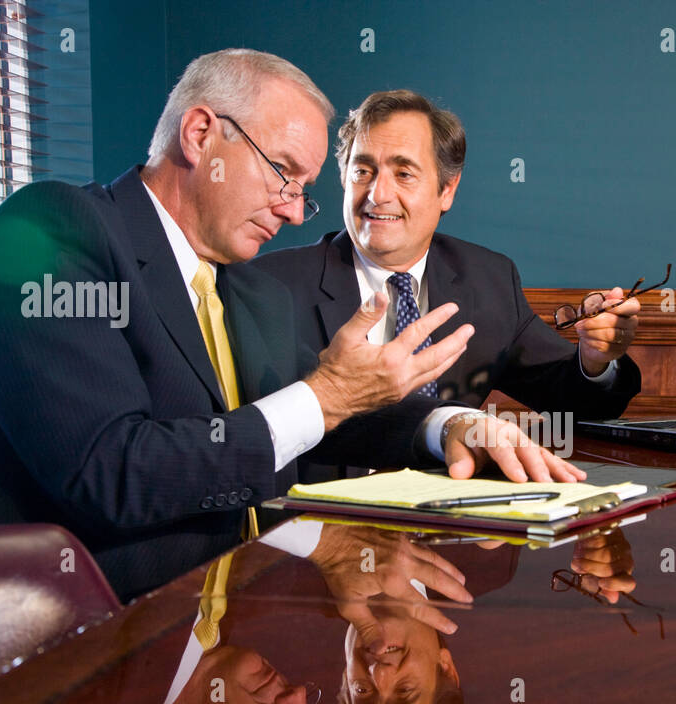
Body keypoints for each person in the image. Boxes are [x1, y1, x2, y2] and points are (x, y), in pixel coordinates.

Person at [0, 51, 581, 600]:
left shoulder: (245, 287)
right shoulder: (51, 233)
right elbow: (111, 472)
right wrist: (329, 396)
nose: (289, 207)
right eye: (282, 172)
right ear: (200, 134)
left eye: (304, 190)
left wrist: (447, 425)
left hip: (212, 615)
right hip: (31, 668)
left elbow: (323, 408)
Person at [253, 89, 644, 451]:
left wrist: (596, 361)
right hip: (319, 515)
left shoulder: (489, 279)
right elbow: (254, 434)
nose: (378, 194)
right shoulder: (269, 287)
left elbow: (574, 400)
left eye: (403, 174)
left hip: (445, 511)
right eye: (362, 171)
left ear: (447, 190)